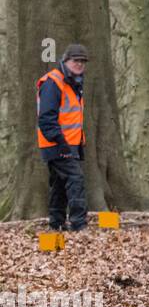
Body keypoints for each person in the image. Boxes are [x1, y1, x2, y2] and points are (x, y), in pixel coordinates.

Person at [37, 44, 89, 231]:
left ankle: (56, 223)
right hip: (58, 144)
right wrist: (61, 143)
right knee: (76, 179)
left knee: (59, 184)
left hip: (69, 144)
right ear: (65, 60)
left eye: (83, 61)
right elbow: (46, 119)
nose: (79, 64)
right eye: (76, 60)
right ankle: (79, 225)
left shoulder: (74, 82)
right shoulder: (53, 82)